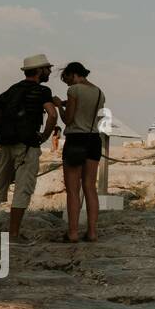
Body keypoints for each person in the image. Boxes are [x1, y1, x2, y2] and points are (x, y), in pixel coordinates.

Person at [0, 54, 59, 244]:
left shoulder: (13, 89)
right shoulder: (42, 91)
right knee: (23, 187)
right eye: (47, 68)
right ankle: (14, 235)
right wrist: (44, 136)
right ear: (39, 70)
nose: (50, 71)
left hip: (5, 143)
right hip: (26, 145)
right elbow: (52, 115)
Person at [57, 61, 105, 243]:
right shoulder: (100, 92)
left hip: (76, 139)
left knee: (72, 189)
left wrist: (59, 106)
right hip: (94, 140)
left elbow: (68, 120)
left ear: (74, 74)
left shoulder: (74, 90)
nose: (67, 83)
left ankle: (73, 232)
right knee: (90, 187)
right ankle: (92, 232)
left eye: (67, 79)